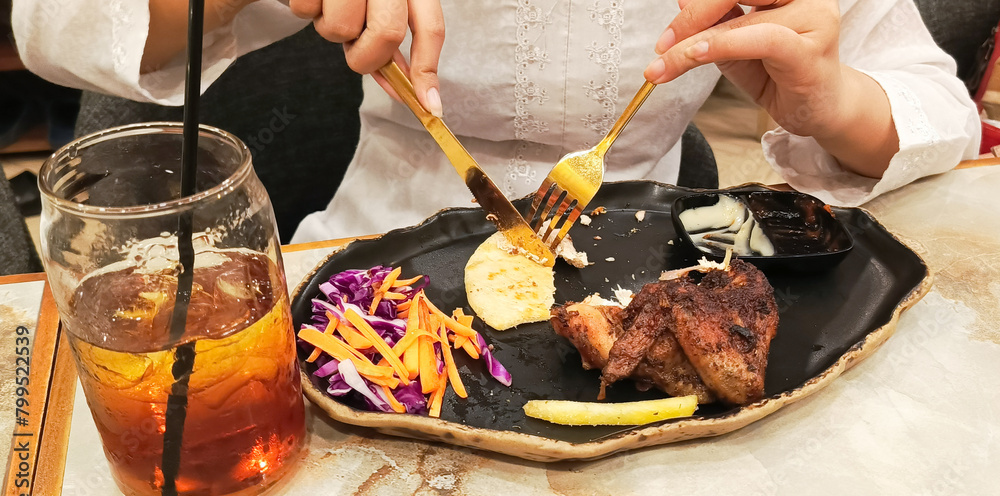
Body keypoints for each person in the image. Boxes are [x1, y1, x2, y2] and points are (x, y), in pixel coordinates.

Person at [12, 0, 980, 243]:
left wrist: (834, 102)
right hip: (376, 265)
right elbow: (50, 22)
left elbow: (932, 99)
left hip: (652, 282)